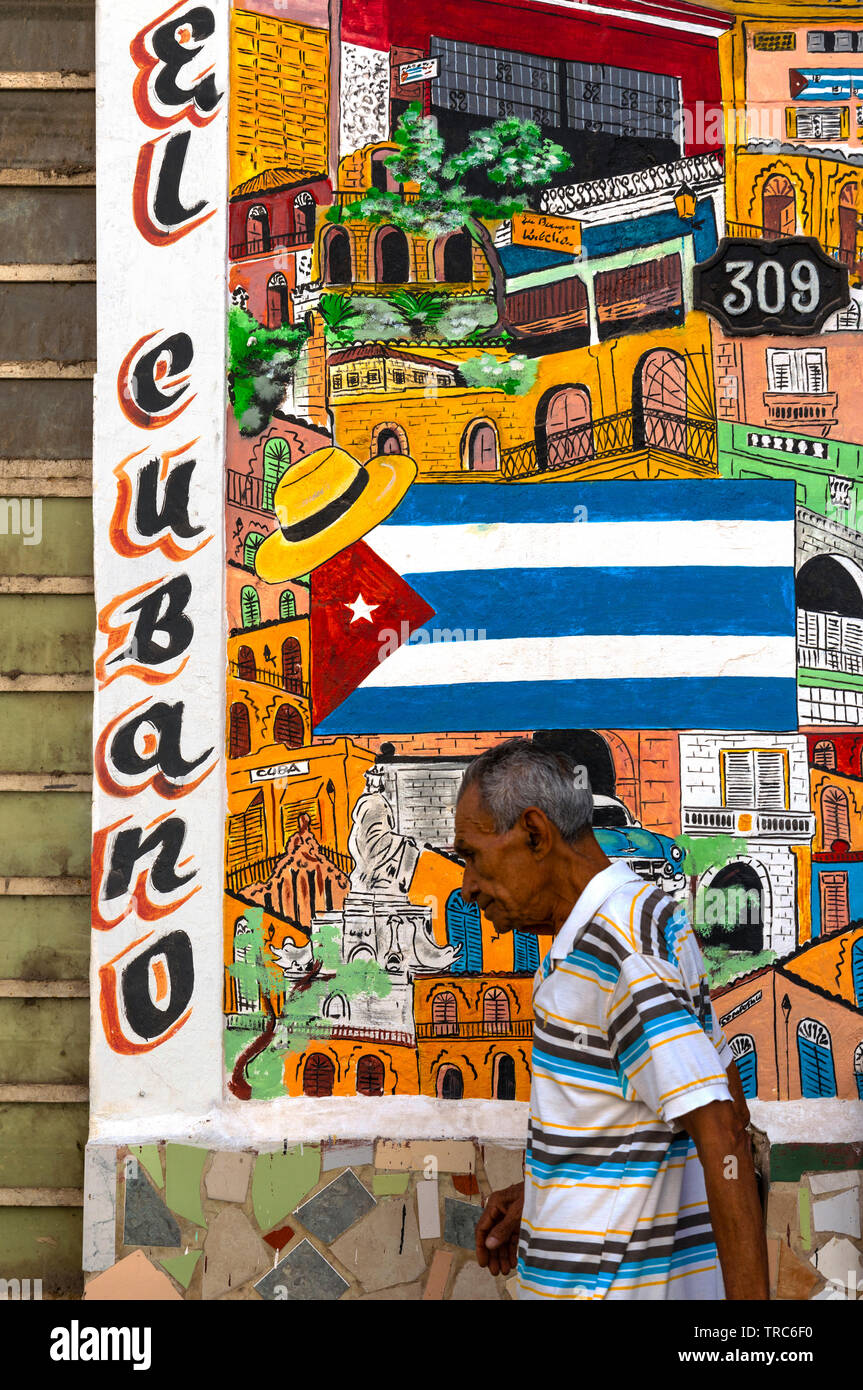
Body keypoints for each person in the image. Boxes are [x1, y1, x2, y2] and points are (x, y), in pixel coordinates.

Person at [453, 738, 769, 1301]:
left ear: (534, 833)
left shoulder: (617, 950)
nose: (467, 886)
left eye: (472, 856)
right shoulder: (638, 916)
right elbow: (686, 1098)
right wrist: (548, 1187)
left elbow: (721, 1128)